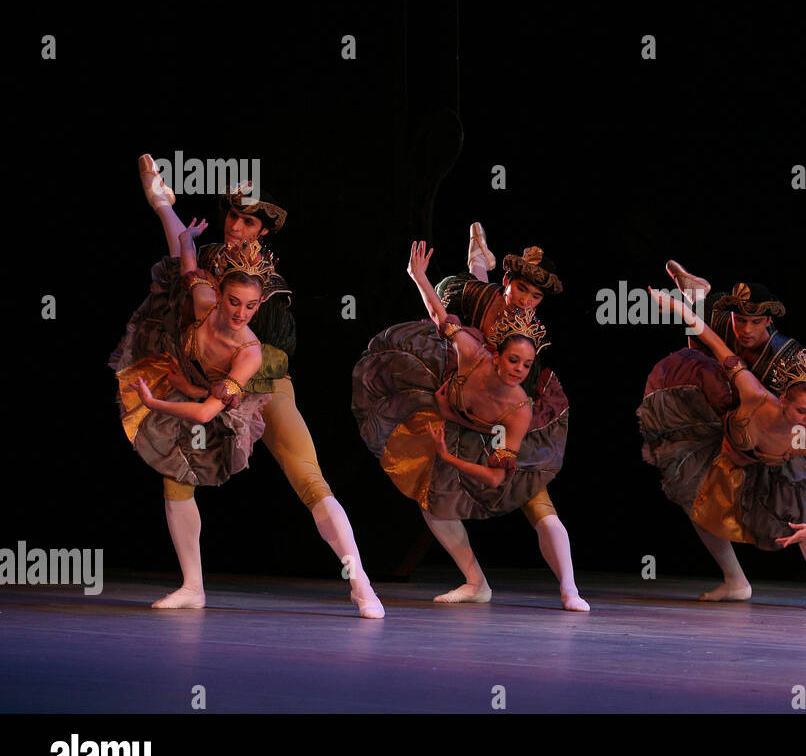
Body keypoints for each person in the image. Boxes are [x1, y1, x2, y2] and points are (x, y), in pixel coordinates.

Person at [133, 155, 384, 618]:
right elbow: (183, 257)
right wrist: (162, 206)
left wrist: (227, 383)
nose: (237, 226)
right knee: (176, 471)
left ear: (263, 231)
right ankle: (193, 585)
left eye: (248, 221)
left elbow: (275, 350)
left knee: (308, 477)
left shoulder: (268, 286)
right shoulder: (210, 261)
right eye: (234, 216)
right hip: (209, 384)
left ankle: (361, 582)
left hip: (264, 384)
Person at [352, 241, 588, 611]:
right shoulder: (474, 343)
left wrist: (468, 436)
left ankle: (570, 589)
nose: (526, 300)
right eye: (521, 289)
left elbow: (496, 470)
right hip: (463, 390)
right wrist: (418, 277)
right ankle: (476, 581)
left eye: (535, 295)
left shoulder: (521, 392)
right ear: (507, 282)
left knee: (533, 496)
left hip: (495, 422)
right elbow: (439, 316)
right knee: (433, 500)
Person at [638, 288, 806, 609]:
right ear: (782, 400)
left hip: (777, 452)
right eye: (802, 413)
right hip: (733, 443)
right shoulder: (753, 392)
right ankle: (735, 580)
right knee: (699, 502)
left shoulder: (805, 436)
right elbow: (710, 342)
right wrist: (677, 306)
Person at [111, 200, 273, 609]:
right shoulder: (203, 300)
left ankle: (356, 575)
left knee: (189, 468)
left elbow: (205, 413)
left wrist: (152, 402)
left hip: (218, 404)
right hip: (184, 376)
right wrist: (186, 239)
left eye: (251, 306)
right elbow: (187, 268)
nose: (240, 313)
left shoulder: (250, 351)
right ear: (218, 294)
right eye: (234, 301)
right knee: (174, 480)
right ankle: (192, 586)